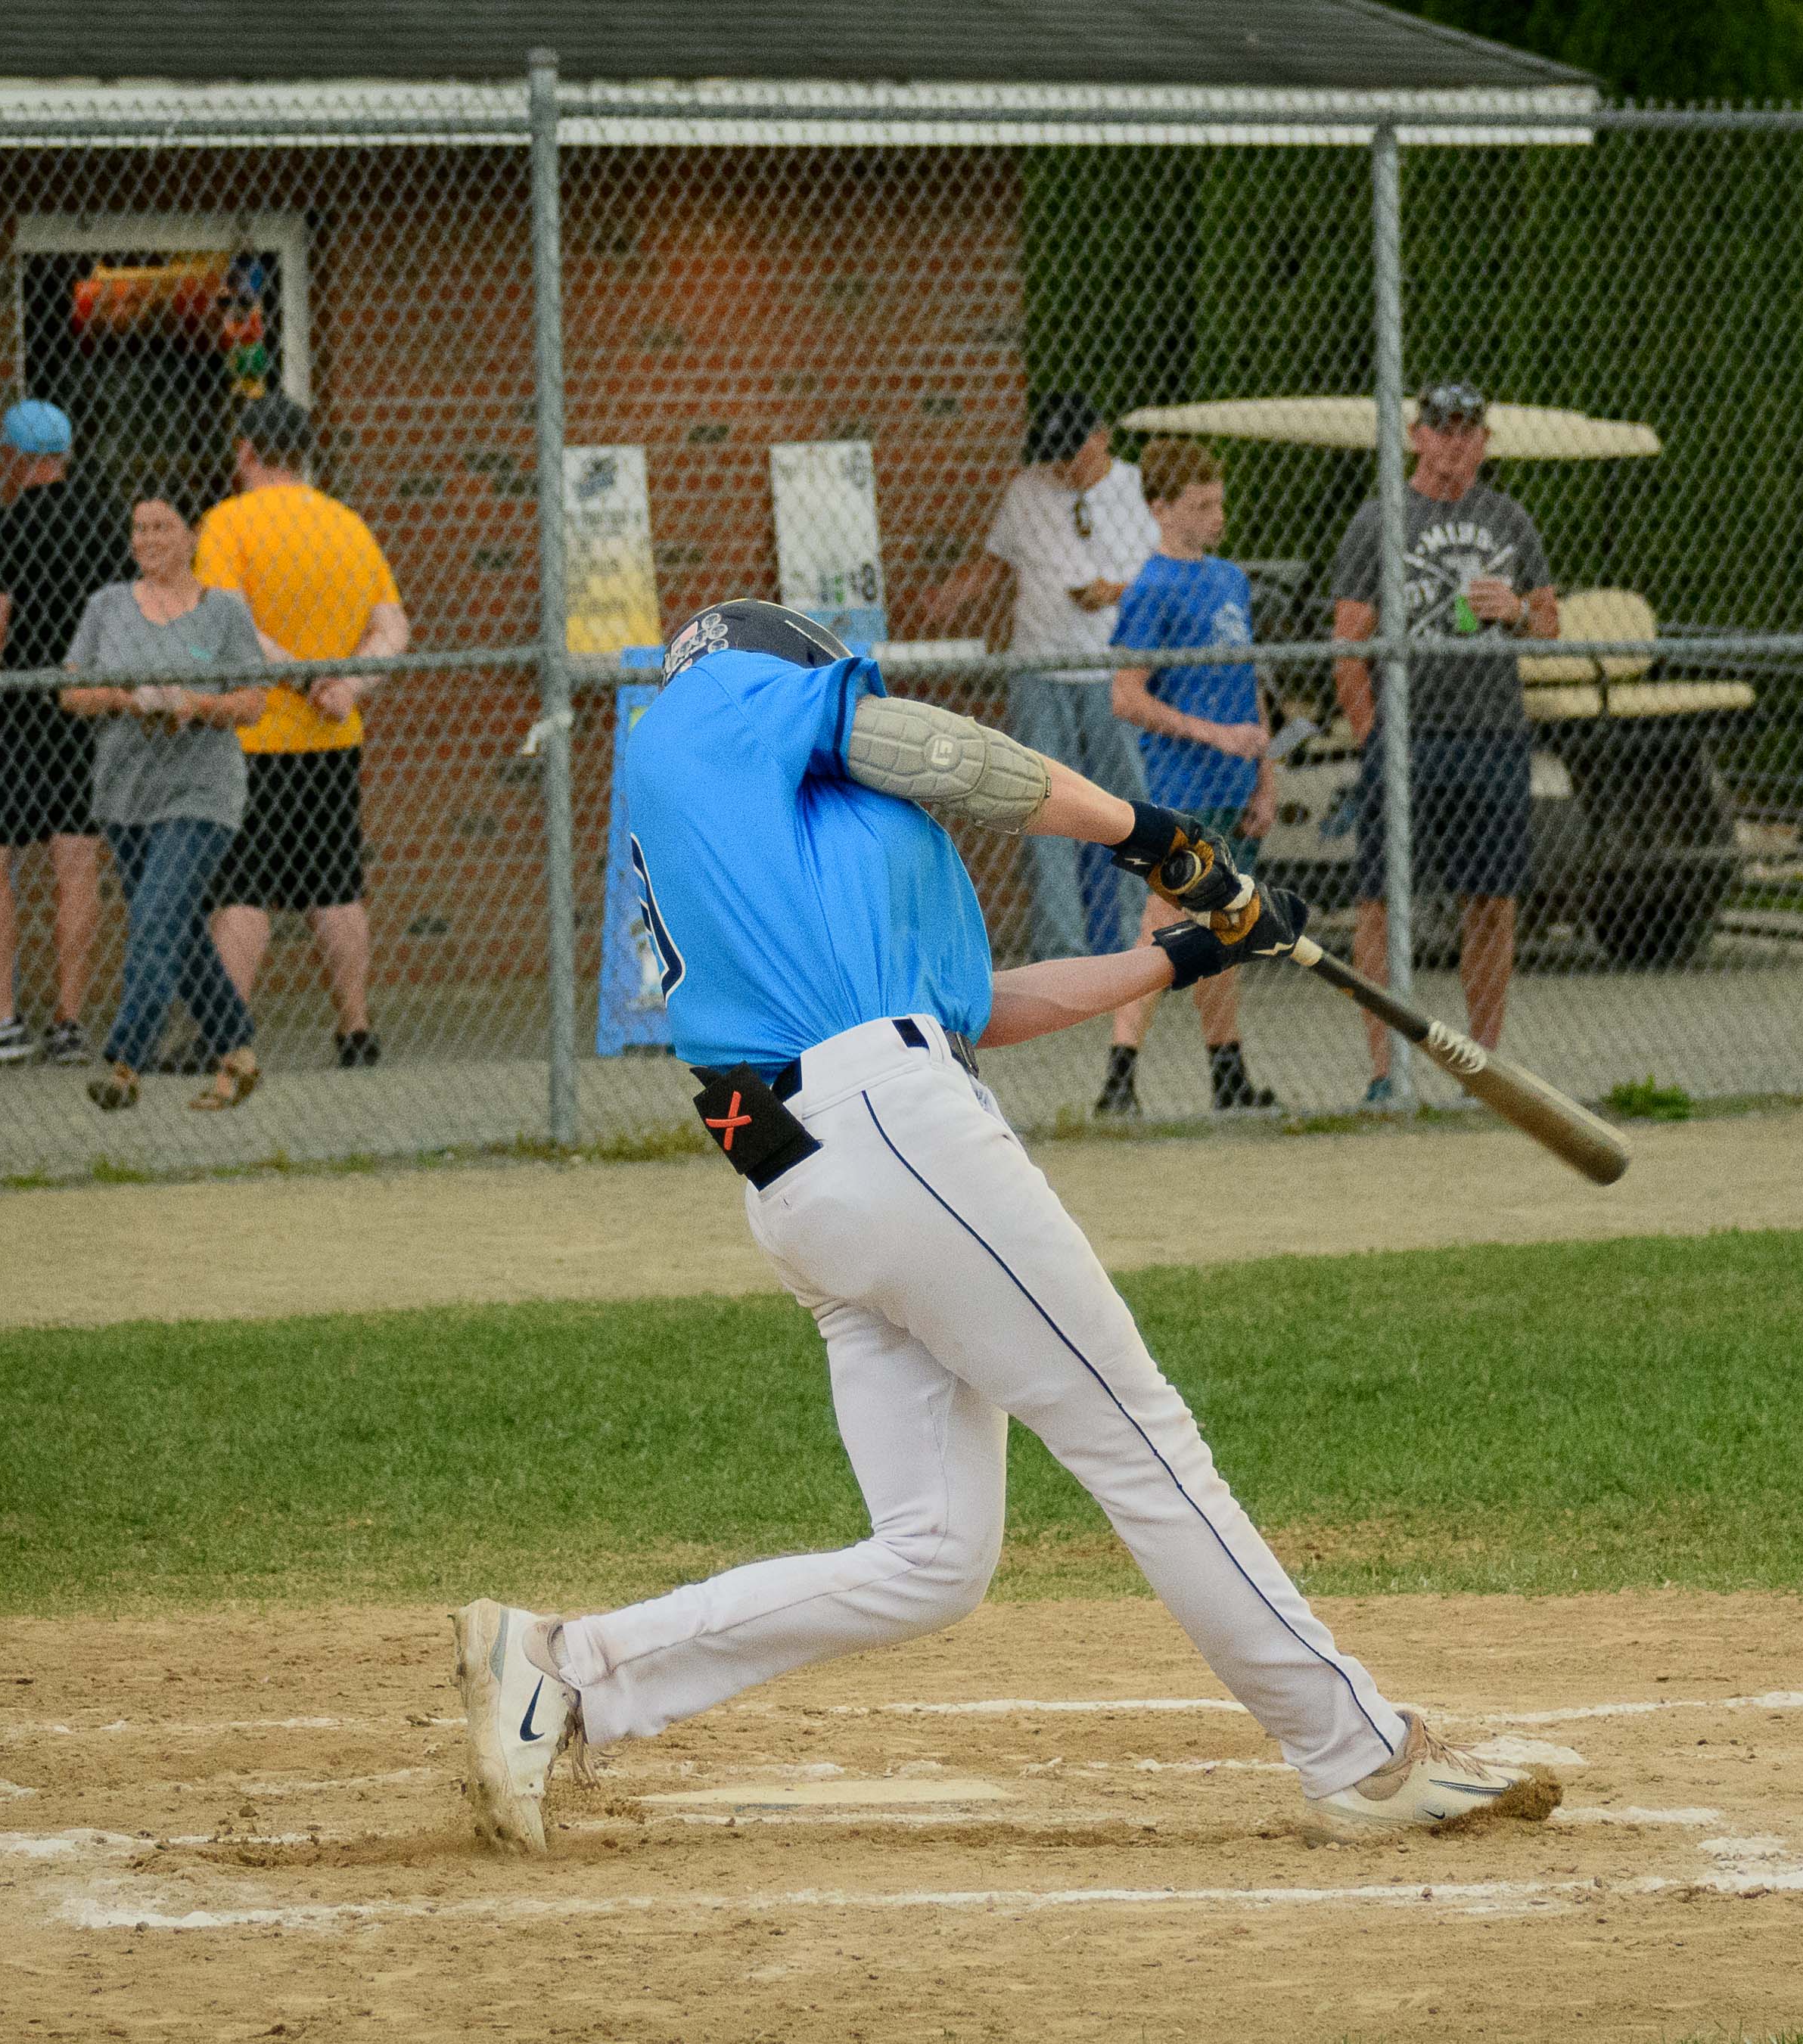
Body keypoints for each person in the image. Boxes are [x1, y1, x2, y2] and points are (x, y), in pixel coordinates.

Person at [448, 598, 1528, 1856]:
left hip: (803, 1152)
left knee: (934, 1553)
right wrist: (1153, 833)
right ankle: (1357, 1753)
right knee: (1141, 1439)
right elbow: (944, 754)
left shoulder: (804, 832)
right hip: (876, 1122)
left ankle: (567, 1669)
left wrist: (1185, 949)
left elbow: (974, 1009)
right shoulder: (710, 702)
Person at [1330, 381, 1558, 1104]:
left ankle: (1482, 1068)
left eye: (1468, 430)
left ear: (1484, 440)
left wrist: (1515, 609)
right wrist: (1373, 742)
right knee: (1380, 905)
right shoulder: (1379, 521)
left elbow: (1549, 623)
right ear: (1417, 437)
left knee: (1490, 902)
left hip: (1492, 734)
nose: (1456, 442)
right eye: (1442, 429)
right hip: (1409, 739)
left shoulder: (1509, 519)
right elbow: (1347, 644)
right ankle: (1384, 1072)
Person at [197, 393, 409, 1067]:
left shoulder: (227, 524)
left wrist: (301, 679)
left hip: (254, 737)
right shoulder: (347, 524)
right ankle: (354, 1028)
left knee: (242, 888)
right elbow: (392, 627)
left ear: (247, 452)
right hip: (333, 738)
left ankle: (226, 1036)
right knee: (336, 887)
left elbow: (232, 628)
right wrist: (345, 684)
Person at [914, 391, 1157, 961]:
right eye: (1052, 453)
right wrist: (950, 597)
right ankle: (1061, 951)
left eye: (1070, 451)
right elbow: (996, 562)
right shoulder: (1027, 490)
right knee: (1039, 803)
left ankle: (1127, 946)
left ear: (1099, 439)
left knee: (1124, 806)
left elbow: (1162, 575)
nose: (1060, 464)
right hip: (1038, 666)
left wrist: (1113, 593)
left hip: (1111, 668)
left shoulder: (1137, 489)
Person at [59, 488, 269, 1112]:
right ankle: (238, 1051)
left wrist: (196, 706)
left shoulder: (224, 613)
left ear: (190, 537)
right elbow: (72, 693)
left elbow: (252, 703)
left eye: (162, 528)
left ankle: (124, 1063)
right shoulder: (107, 607)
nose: (148, 540)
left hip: (201, 792)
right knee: (175, 935)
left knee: (153, 920)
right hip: (125, 795)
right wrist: (128, 698)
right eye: (139, 529)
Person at [0, 399, 129, 1069]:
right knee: (75, 860)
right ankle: (70, 1023)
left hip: (18, 714)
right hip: (85, 713)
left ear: (17, 456)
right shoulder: (112, 522)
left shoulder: (8, 526)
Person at [1096, 438, 1280, 1117]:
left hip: (1232, 784)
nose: (1216, 516)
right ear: (1159, 507)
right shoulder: (1153, 588)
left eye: (1218, 502)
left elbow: (1244, 684)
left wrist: (1262, 772)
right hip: (1182, 785)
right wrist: (1213, 736)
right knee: (1162, 924)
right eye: (1200, 505)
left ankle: (1227, 1071)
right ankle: (1119, 1077)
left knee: (1227, 923)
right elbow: (1126, 695)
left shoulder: (1230, 579)